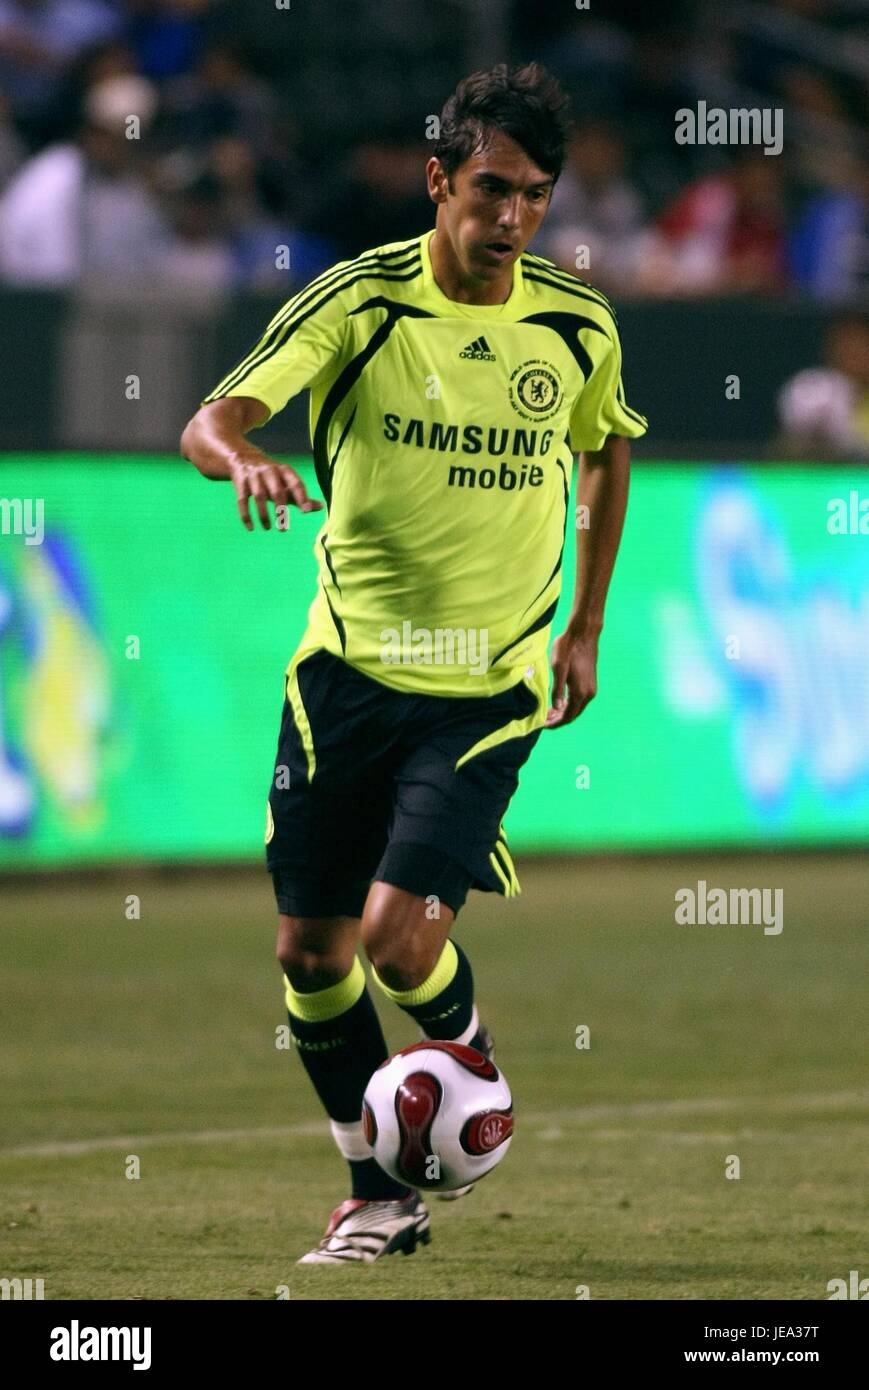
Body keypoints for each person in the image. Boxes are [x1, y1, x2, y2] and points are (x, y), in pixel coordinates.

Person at [180, 62, 647, 1265]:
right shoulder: (360, 302)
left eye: (535, 196)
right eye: (492, 188)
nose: (513, 219)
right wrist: (239, 462)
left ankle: (466, 1063)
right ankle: (376, 1194)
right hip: (343, 677)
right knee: (309, 953)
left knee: (397, 939)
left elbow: (605, 456)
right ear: (439, 180)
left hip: (485, 688)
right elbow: (212, 419)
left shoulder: (572, 323)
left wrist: (583, 626)